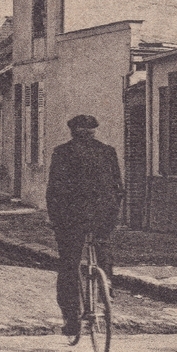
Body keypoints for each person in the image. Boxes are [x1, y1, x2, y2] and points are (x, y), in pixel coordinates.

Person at [46, 114, 125, 338]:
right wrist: (112, 216)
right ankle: (107, 286)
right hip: (102, 217)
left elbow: (54, 190)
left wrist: (54, 219)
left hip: (71, 219)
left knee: (69, 265)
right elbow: (118, 188)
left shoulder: (62, 152)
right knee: (103, 248)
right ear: (94, 132)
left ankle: (71, 319)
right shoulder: (108, 152)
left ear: (73, 132)